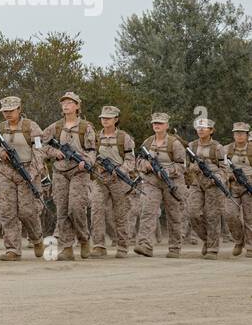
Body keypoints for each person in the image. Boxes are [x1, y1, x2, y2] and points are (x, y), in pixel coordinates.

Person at [41, 91, 96, 261]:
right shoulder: (55, 127)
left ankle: (84, 239)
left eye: (70, 102)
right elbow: (40, 144)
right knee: (62, 210)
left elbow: (92, 151)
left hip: (79, 172)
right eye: (63, 102)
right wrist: (54, 152)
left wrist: (86, 162)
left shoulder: (85, 127)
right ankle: (66, 247)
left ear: (77, 106)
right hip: (60, 172)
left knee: (76, 207)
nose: (66, 105)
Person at [0, 96, 46, 261]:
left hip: (27, 172)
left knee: (27, 211)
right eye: (5, 111)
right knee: (7, 211)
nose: (7, 114)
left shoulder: (31, 127)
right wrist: (0, 152)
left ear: (19, 109)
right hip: (6, 172)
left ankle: (37, 238)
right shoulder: (0, 128)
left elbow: (39, 150)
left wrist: (33, 172)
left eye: (11, 111)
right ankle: (13, 249)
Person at [134, 113, 187, 258]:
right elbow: (138, 160)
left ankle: (175, 247)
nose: (156, 125)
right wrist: (146, 165)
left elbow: (182, 165)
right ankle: (145, 245)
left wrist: (166, 171)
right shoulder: (148, 142)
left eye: (160, 123)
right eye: (154, 123)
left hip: (172, 183)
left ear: (167, 125)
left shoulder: (174, 143)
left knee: (174, 215)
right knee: (147, 211)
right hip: (152, 182)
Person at [89, 105, 136, 259]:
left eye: (108, 118)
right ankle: (99, 245)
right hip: (100, 179)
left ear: (116, 119)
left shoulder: (124, 138)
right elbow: (90, 155)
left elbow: (131, 160)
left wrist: (122, 169)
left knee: (120, 213)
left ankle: (122, 246)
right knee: (96, 209)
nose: (105, 120)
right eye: (103, 118)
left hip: (119, 180)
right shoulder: (95, 137)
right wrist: (96, 166)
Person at [186, 117, 227, 259]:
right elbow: (186, 165)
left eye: (204, 128)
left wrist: (218, 178)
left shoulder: (218, 148)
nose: (201, 130)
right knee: (193, 213)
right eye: (198, 128)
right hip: (197, 183)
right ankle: (208, 240)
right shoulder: (191, 146)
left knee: (212, 216)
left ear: (211, 130)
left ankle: (213, 248)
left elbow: (225, 168)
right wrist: (192, 168)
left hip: (213, 184)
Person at [223, 122, 252, 257]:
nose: (239, 135)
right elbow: (221, 168)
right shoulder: (226, 149)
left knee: (249, 217)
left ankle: (250, 245)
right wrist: (228, 175)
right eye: (237, 133)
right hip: (232, 187)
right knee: (230, 214)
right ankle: (239, 240)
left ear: (247, 135)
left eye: (242, 133)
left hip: (249, 187)